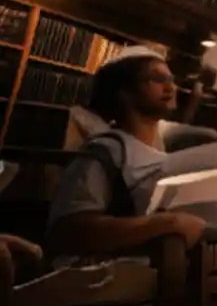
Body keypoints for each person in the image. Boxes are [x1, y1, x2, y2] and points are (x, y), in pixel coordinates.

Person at [46, 46, 207, 261]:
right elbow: (67, 230)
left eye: (171, 79)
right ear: (125, 92)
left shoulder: (160, 144)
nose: (171, 87)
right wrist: (165, 224)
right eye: (157, 79)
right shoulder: (105, 152)